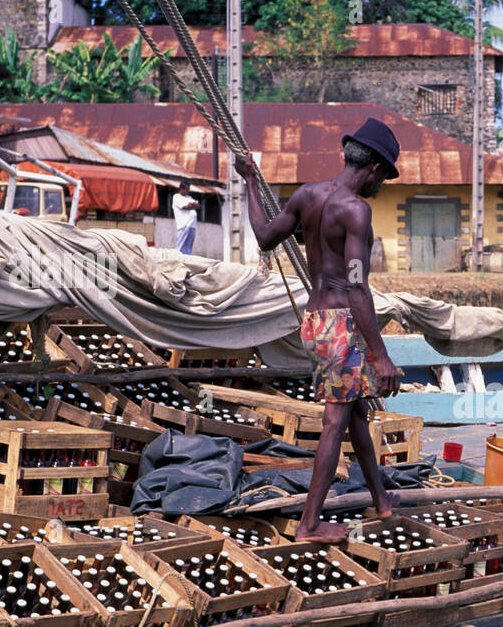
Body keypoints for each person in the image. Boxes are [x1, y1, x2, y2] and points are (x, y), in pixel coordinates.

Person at [235, 117, 402, 542]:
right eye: (385, 175)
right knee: (335, 420)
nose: (381, 183)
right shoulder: (357, 211)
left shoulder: (307, 195)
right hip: (340, 327)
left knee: (357, 412)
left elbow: (265, 236)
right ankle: (309, 524)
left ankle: (381, 500)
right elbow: (357, 286)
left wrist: (252, 183)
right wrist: (381, 355)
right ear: (376, 169)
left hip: (316, 322)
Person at [172, 180, 200, 254]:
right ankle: (177, 262)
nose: (188, 191)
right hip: (184, 225)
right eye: (187, 189)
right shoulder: (177, 197)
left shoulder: (189, 197)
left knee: (188, 248)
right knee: (180, 247)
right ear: (182, 189)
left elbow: (198, 205)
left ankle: (186, 263)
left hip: (192, 226)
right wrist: (192, 205)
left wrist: (192, 205)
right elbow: (185, 207)